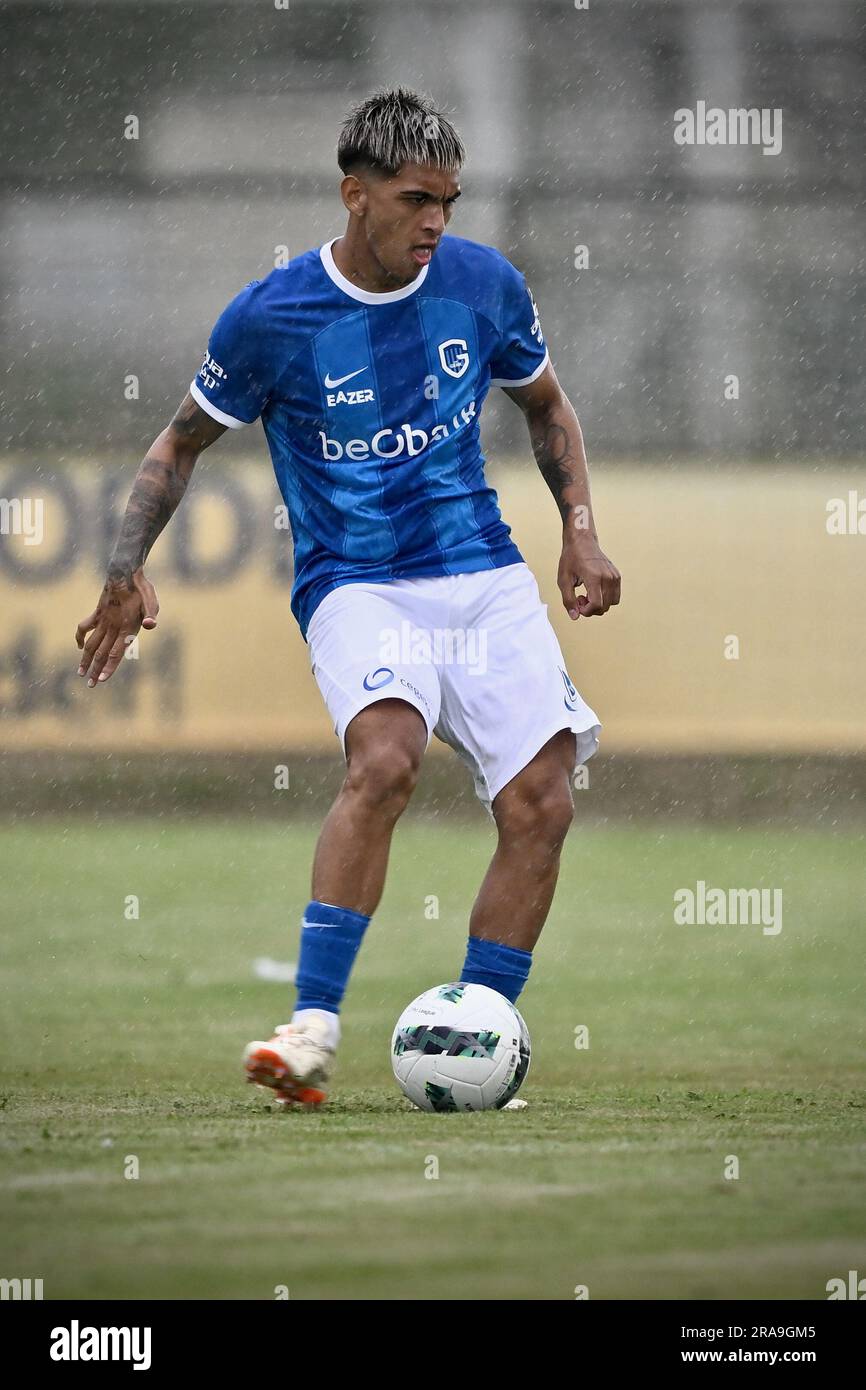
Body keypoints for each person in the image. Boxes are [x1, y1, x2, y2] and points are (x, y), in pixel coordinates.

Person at [75, 88, 621, 1107]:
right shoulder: (271, 317)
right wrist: (122, 565)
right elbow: (178, 444)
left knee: (540, 802)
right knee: (383, 762)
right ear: (353, 194)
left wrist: (578, 534)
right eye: (416, 199)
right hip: (357, 582)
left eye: (448, 201)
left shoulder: (481, 286)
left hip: (483, 574)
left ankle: (479, 1028)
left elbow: (545, 405)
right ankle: (311, 1030)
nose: (435, 222)